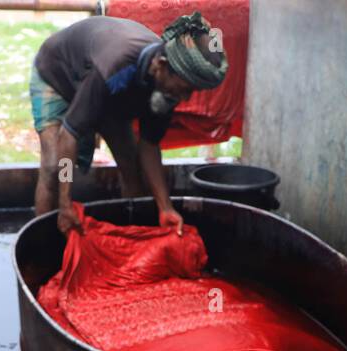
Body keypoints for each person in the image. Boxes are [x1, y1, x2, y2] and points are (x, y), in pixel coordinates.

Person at [29, 12, 227, 236]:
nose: (185, 98)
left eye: (191, 91)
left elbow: (149, 147)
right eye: (184, 89)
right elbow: (69, 135)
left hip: (112, 96)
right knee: (55, 165)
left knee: (133, 170)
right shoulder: (115, 67)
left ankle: (133, 240)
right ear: (160, 66)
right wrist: (65, 204)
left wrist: (165, 207)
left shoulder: (167, 88)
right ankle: (42, 243)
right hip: (58, 75)